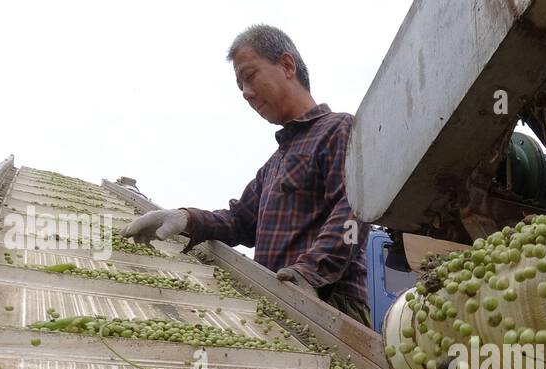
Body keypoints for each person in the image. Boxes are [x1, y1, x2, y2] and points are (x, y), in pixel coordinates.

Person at [124, 24, 371, 326]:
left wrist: (310, 274)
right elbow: (239, 221)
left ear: (287, 65)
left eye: (249, 76)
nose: (246, 93)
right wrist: (185, 218)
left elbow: (354, 212)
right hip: (277, 301)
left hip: (330, 305)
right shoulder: (273, 165)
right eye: (240, 85)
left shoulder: (339, 129)